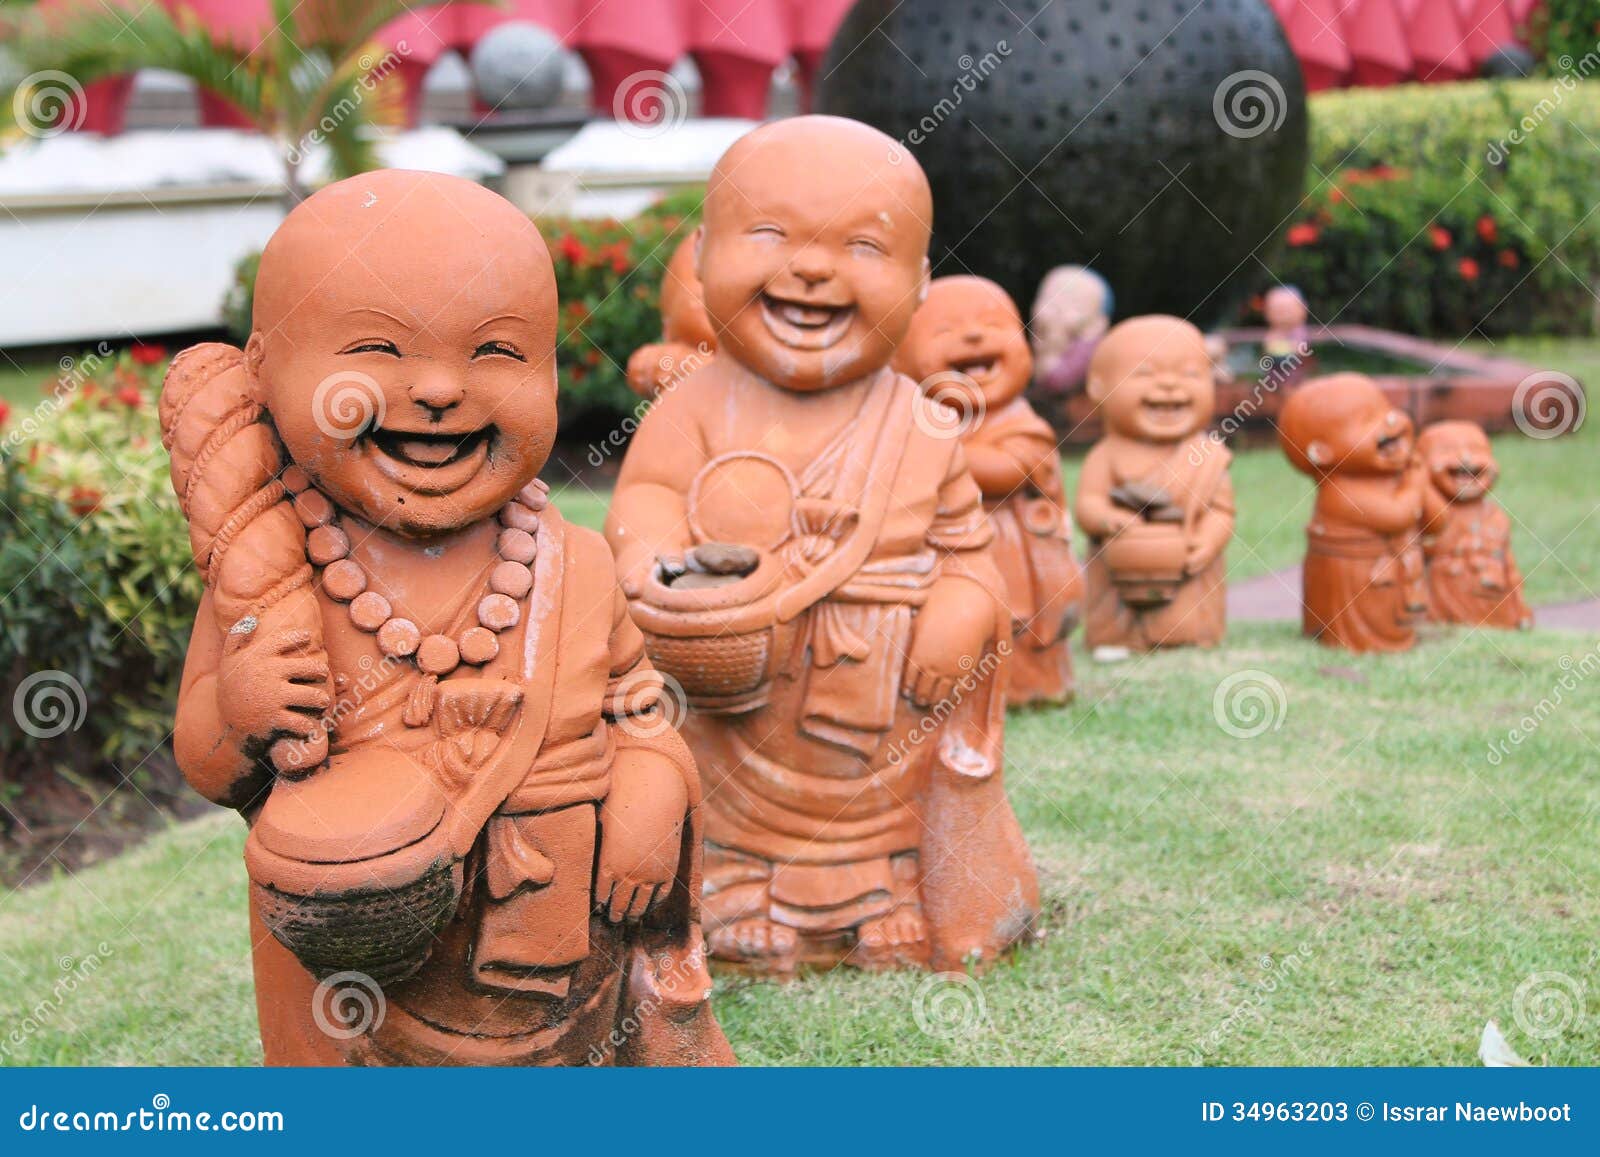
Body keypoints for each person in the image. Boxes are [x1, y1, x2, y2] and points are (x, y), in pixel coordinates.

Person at [163, 170, 730, 1066]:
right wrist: (243, 709)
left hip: (566, 951)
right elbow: (207, 760)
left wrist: (652, 793)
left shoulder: (575, 565)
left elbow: (640, 710)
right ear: (264, 370)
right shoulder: (274, 583)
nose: (436, 389)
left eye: (497, 352)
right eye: (378, 349)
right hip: (353, 968)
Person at [605, 116, 1039, 974]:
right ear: (703, 255)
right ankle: (736, 888)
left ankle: (885, 892)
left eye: (863, 247)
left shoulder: (921, 422)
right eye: (770, 234)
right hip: (733, 684)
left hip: (883, 699)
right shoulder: (693, 403)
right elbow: (647, 499)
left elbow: (967, 550)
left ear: (919, 281)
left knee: (883, 800)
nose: (811, 268)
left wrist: (959, 611)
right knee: (719, 782)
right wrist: (650, 561)